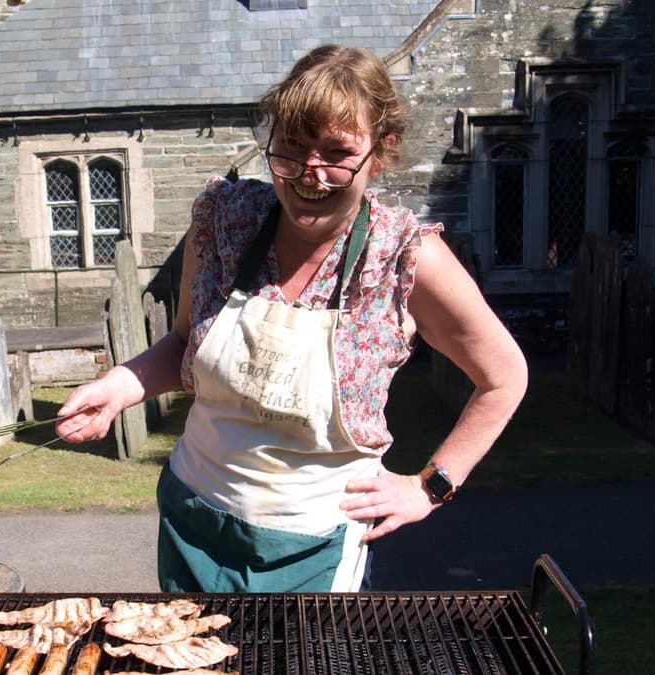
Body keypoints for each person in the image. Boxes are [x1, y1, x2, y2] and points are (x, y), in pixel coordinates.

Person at [55, 44, 528, 593]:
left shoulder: (405, 257)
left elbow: (504, 377)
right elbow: (185, 340)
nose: (310, 174)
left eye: (336, 152)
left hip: (317, 545)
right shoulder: (224, 223)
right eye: (293, 148)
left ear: (382, 151)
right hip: (194, 521)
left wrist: (431, 486)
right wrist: (120, 386)